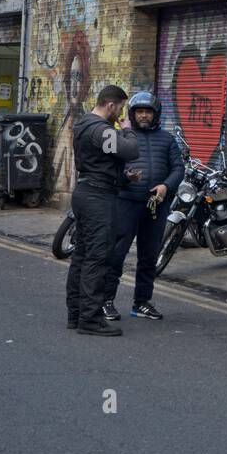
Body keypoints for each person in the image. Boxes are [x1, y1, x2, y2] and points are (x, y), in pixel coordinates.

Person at [102, 91, 184, 322]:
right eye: (140, 111)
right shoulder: (117, 136)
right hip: (126, 203)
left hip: (155, 205)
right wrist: (126, 177)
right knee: (116, 253)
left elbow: (178, 168)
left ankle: (142, 302)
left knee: (149, 256)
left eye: (148, 111)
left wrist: (166, 186)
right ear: (132, 114)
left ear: (156, 114)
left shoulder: (167, 139)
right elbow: (109, 168)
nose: (144, 116)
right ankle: (105, 301)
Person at [66, 85, 142, 336]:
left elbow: (100, 162)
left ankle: (76, 314)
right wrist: (128, 129)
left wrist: (123, 178)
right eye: (120, 108)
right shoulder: (100, 129)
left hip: (88, 191)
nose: (121, 113)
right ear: (111, 105)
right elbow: (130, 150)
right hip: (97, 197)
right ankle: (90, 319)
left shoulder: (84, 125)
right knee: (97, 257)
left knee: (83, 255)